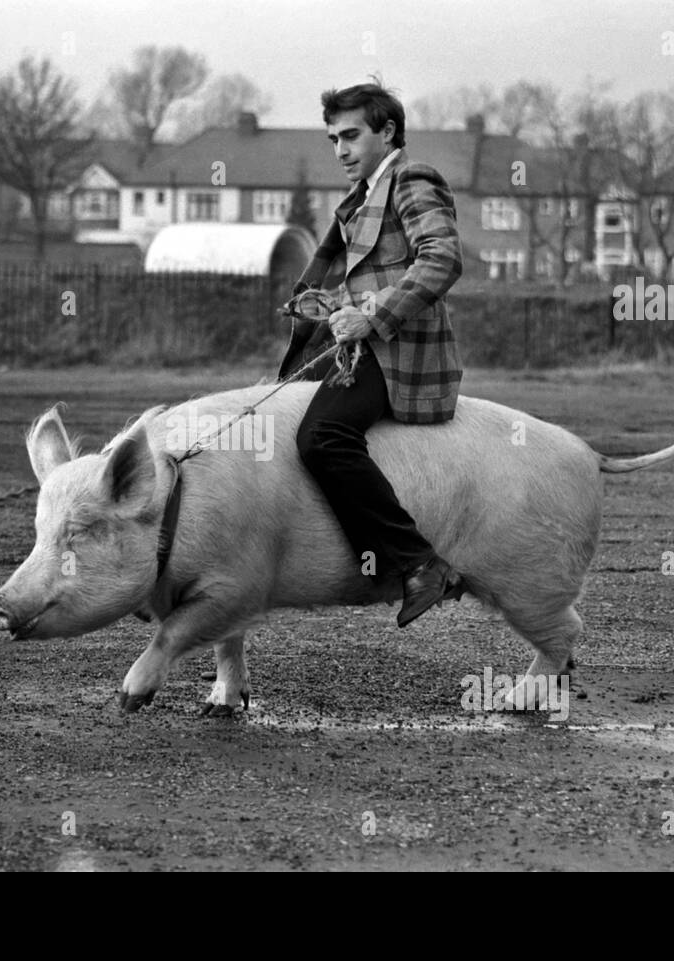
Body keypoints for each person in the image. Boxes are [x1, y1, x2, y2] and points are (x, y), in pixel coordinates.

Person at [278, 81, 465, 627]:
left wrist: (372, 316)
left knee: (322, 437)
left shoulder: (411, 178)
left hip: (399, 355)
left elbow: (442, 260)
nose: (340, 149)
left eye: (352, 135)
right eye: (333, 138)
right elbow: (371, 276)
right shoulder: (362, 197)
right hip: (364, 350)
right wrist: (326, 303)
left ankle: (419, 562)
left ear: (388, 131)